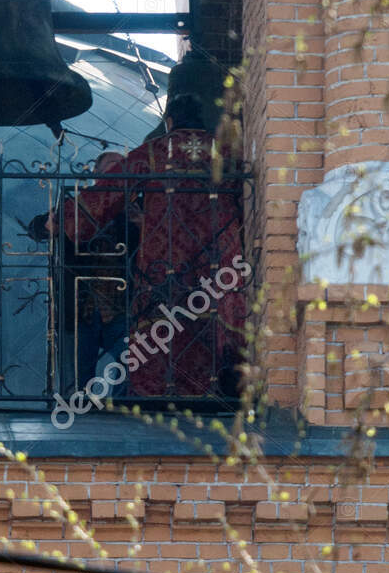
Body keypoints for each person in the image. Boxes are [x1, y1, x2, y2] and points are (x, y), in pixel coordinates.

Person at [30, 94, 248, 401]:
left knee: (165, 324)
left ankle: (165, 396)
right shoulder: (228, 152)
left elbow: (108, 193)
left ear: (169, 122)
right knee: (215, 317)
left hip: (168, 258)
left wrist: (65, 219)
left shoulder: (155, 151)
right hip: (218, 258)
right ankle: (219, 394)